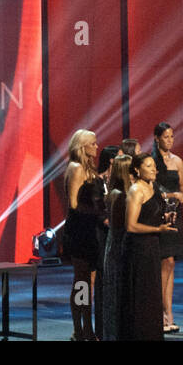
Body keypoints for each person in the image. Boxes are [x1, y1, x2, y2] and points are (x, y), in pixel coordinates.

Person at [123, 153, 179, 341]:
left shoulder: (153, 186)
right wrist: (158, 228)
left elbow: (153, 214)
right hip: (139, 250)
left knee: (153, 295)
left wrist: (166, 218)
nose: (154, 169)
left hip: (153, 246)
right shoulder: (136, 190)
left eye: (154, 165)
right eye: (148, 166)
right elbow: (130, 225)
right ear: (137, 170)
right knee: (143, 295)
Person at [63, 129, 105, 341]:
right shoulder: (76, 168)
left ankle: (86, 326)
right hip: (79, 231)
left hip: (90, 231)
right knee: (81, 282)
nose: (97, 147)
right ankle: (80, 329)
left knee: (89, 281)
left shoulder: (89, 168)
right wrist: (99, 213)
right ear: (83, 146)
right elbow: (73, 204)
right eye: (93, 144)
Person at [152, 122, 183, 333]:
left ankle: (168, 312)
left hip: (175, 213)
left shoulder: (178, 161)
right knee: (163, 262)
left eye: (172, 136)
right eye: (166, 137)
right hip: (157, 214)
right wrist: (170, 196)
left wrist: (180, 197)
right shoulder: (151, 161)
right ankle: (161, 313)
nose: (170, 140)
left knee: (171, 263)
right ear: (157, 138)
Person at [101, 155, 132, 341]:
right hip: (119, 246)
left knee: (112, 292)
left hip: (112, 245)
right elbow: (125, 225)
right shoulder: (120, 196)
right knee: (118, 292)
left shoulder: (113, 193)